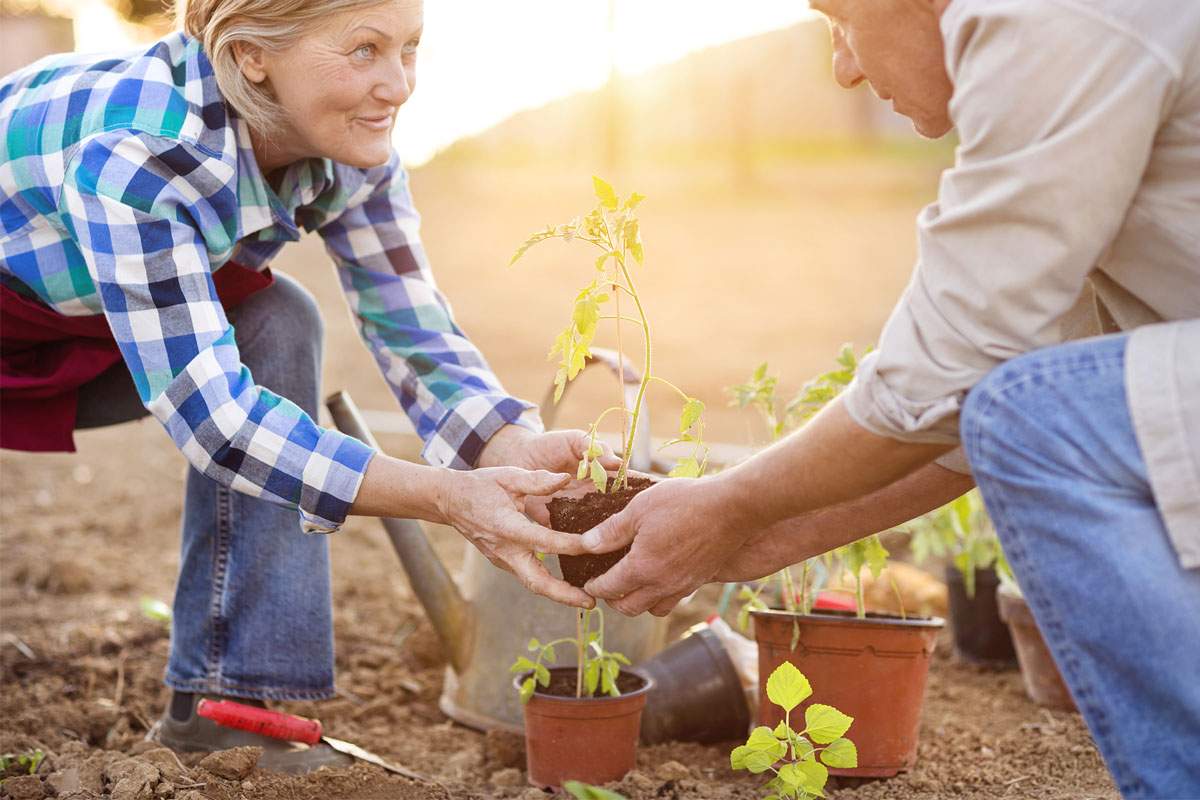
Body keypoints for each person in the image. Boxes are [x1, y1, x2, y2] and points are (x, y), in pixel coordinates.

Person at [578, 0, 1199, 796]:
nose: (844, 68)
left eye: (841, 21)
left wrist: (731, 504)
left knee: (1032, 411)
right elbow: (983, 398)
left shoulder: (1052, 17)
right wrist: (753, 536)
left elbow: (952, 372)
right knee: (1033, 410)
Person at [0, 0, 604, 772]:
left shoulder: (354, 148)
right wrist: (445, 496)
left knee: (278, 317)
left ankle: (227, 707)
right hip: (28, 308)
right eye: (364, 49)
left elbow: (411, 327)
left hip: (81, 318)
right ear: (254, 54)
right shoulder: (138, 150)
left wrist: (509, 442)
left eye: (409, 48)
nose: (398, 84)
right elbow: (219, 424)